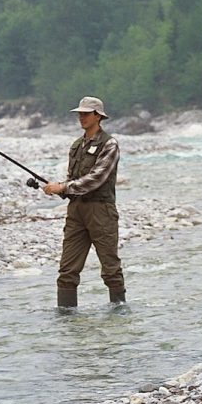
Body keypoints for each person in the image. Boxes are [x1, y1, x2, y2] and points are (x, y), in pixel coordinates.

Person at [40, 96, 125, 309]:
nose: (81, 117)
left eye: (86, 114)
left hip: (101, 211)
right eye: (80, 114)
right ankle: (67, 321)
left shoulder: (110, 144)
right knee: (67, 271)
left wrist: (63, 187)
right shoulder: (76, 146)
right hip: (76, 211)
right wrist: (57, 189)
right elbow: (72, 180)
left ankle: (120, 316)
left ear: (98, 116)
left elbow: (97, 178)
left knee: (110, 269)